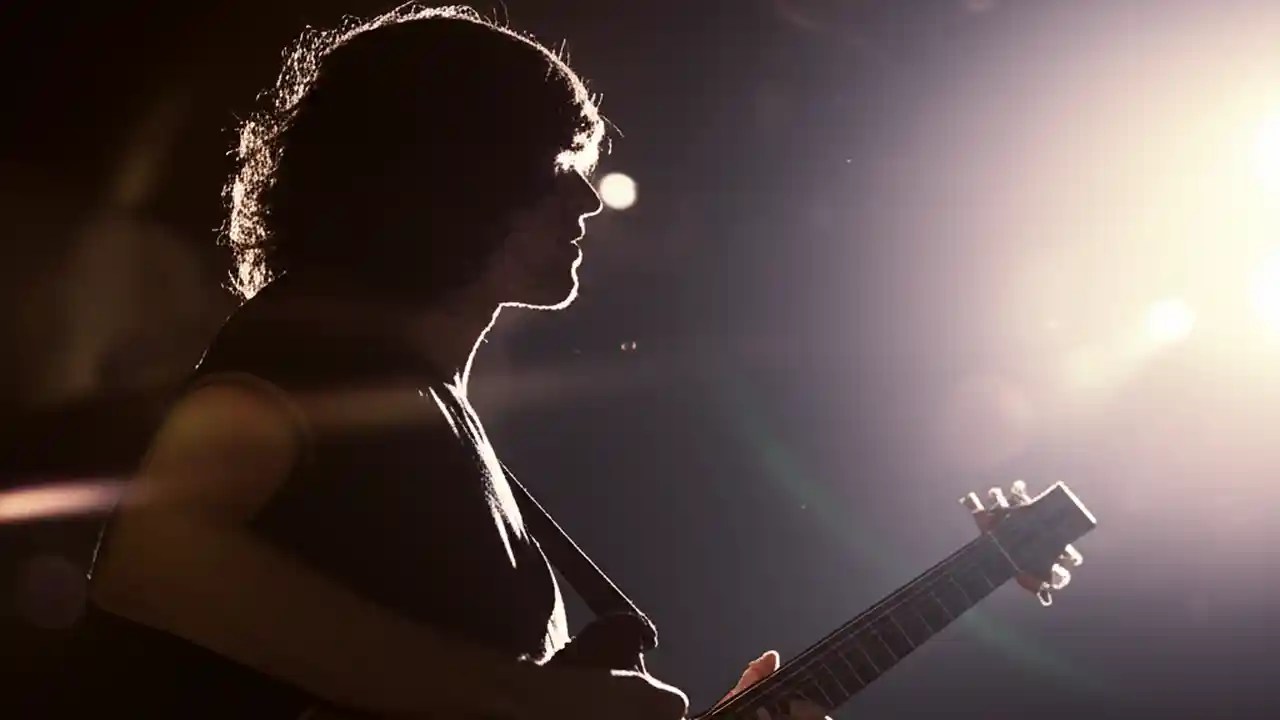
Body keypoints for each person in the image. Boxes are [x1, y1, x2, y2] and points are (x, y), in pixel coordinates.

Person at [41, 6, 828, 719]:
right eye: (559, 164)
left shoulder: (423, 405)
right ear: (459, 170)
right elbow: (154, 561)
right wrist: (527, 697)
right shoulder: (313, 355)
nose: (589, 200)